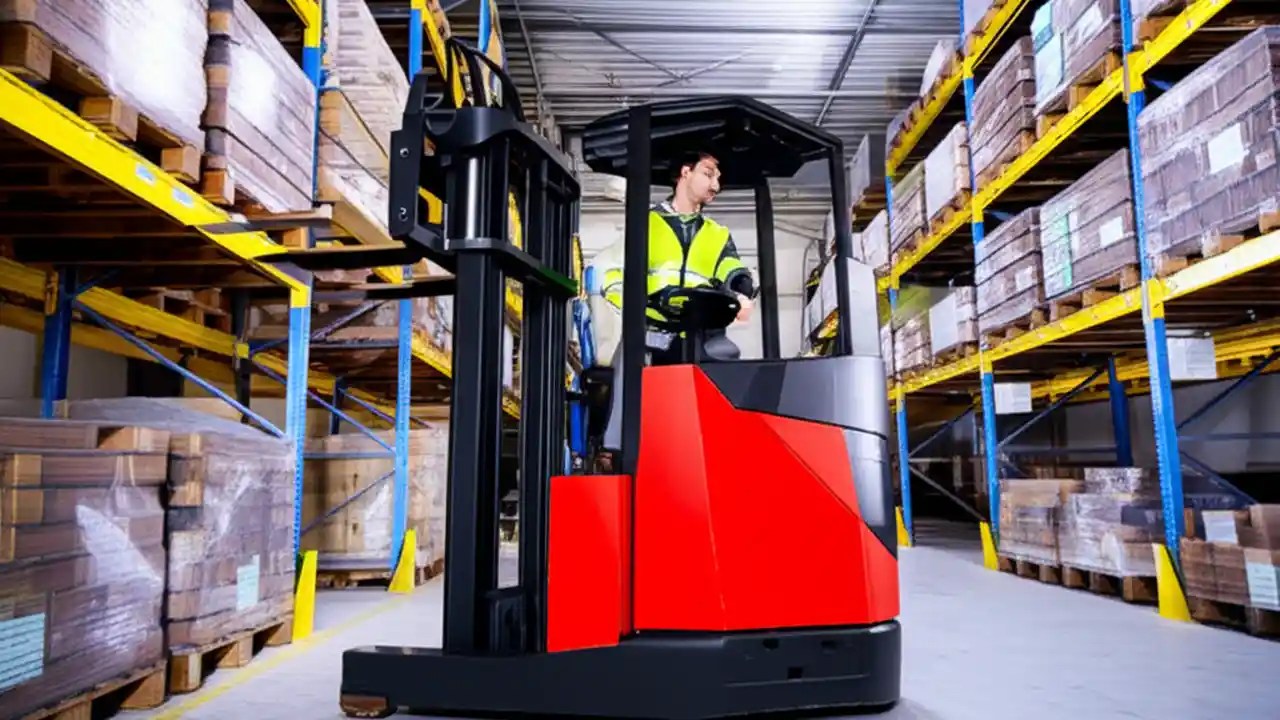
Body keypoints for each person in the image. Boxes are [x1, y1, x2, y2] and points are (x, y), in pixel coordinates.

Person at [597, 150, 759, 456]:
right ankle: (618, 447)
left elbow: (732, 269)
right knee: (629, 360)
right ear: (686, 173)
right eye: (709, 174)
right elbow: (615, 272)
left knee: (730, 364)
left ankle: (726, 450)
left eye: (719, 178)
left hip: (703, 331)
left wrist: (742, 291)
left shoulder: (716, 233)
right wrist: (633, 303)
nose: (716, 184)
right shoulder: (646, 223)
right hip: (655, 324)